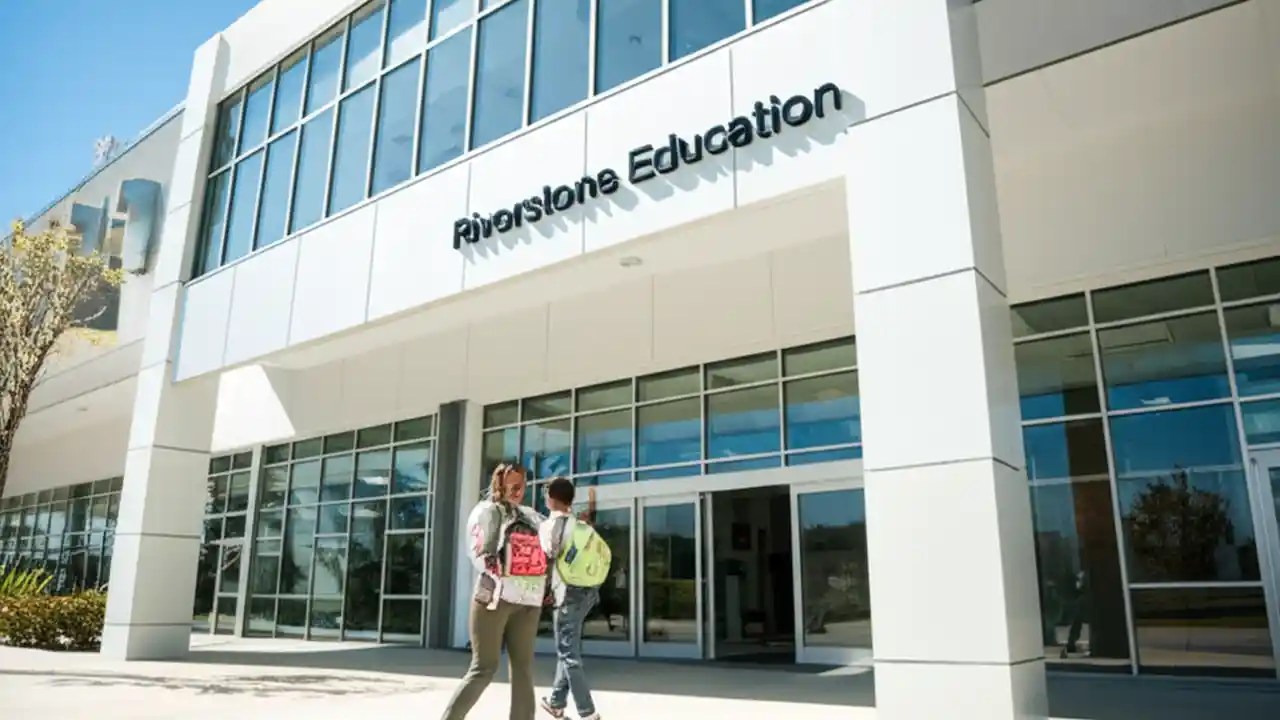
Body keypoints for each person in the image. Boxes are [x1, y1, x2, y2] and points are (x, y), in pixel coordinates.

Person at [441, 462, 548, 720]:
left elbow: (553, 542)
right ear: (498, 483)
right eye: (511, 484)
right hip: (494, 599)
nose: (517, 490)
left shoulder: (531, 516)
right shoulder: (487, 511)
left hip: (528, 601)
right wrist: (493, 563)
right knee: (484, 667)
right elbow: (478, 549)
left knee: (522, 669)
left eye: (521, 485)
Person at [538, 477, 607, 720]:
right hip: (588, 591)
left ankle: (587, 713)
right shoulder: (581, 525)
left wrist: (544, 593)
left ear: (551, 498)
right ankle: (556, 702)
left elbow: (546, 561)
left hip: (566, 594)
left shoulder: (549, 526)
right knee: (566, 649)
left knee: (568, 654)